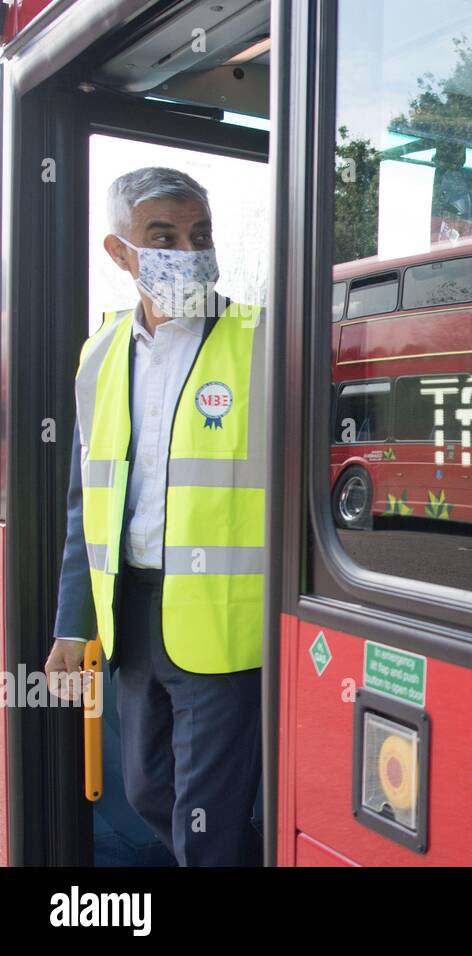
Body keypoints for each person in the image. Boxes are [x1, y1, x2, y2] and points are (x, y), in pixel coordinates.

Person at [43, 167, 266, 865]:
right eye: (162, 236)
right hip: (132, 615)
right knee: (145, 790)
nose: (187, 249)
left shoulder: (260, 342)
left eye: (198, 234)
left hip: (226, 622)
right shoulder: (100, 355)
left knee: (207, 817)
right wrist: (70, 629)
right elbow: (90, 502)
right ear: (121, 253)